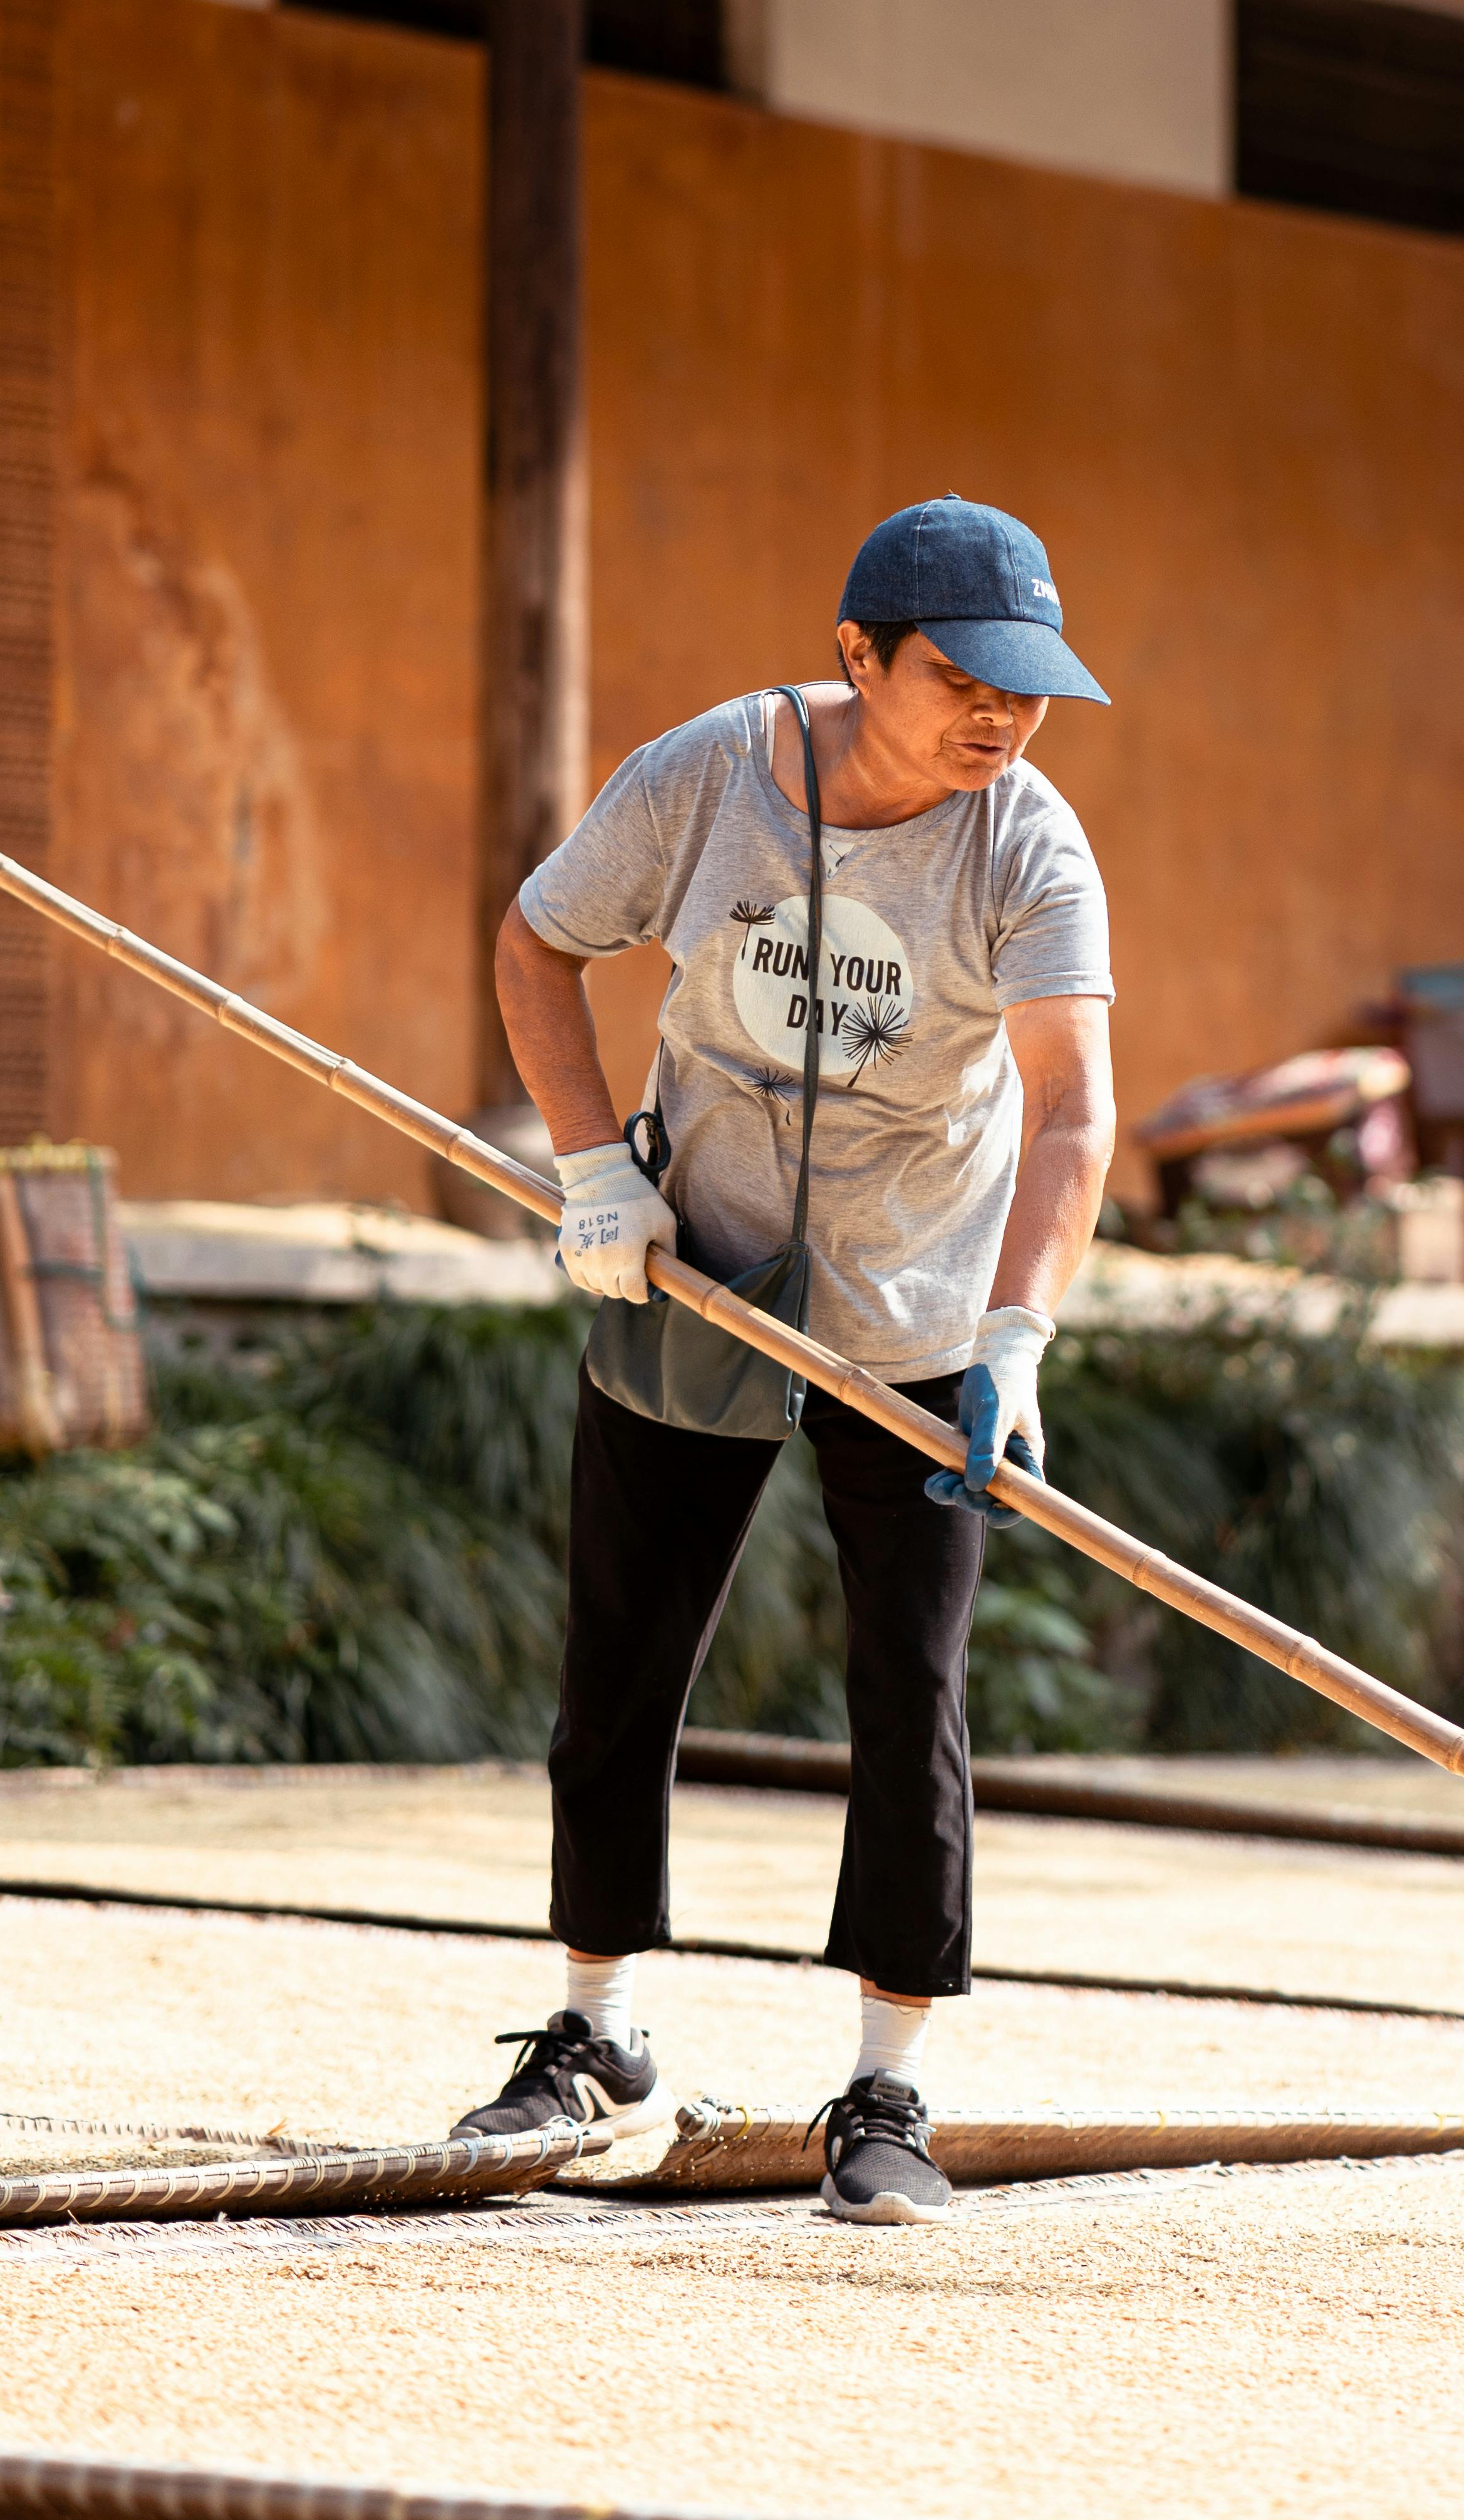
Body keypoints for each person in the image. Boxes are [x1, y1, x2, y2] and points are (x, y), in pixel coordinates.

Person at [450, 494, 1115, 2224]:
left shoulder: (1027, 848)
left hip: (916, 1311)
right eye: (964, 679)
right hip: (699, 1262)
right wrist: (596, 1164)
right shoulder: (710, 778)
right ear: (858, 658)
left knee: (912, 1689)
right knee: (623, 1660)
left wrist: (1019, 1337)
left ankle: (888, 2090)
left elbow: (1075, 1115)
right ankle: (592, 2037)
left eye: (1029, 690)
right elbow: (538, 942)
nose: (1002, 719)